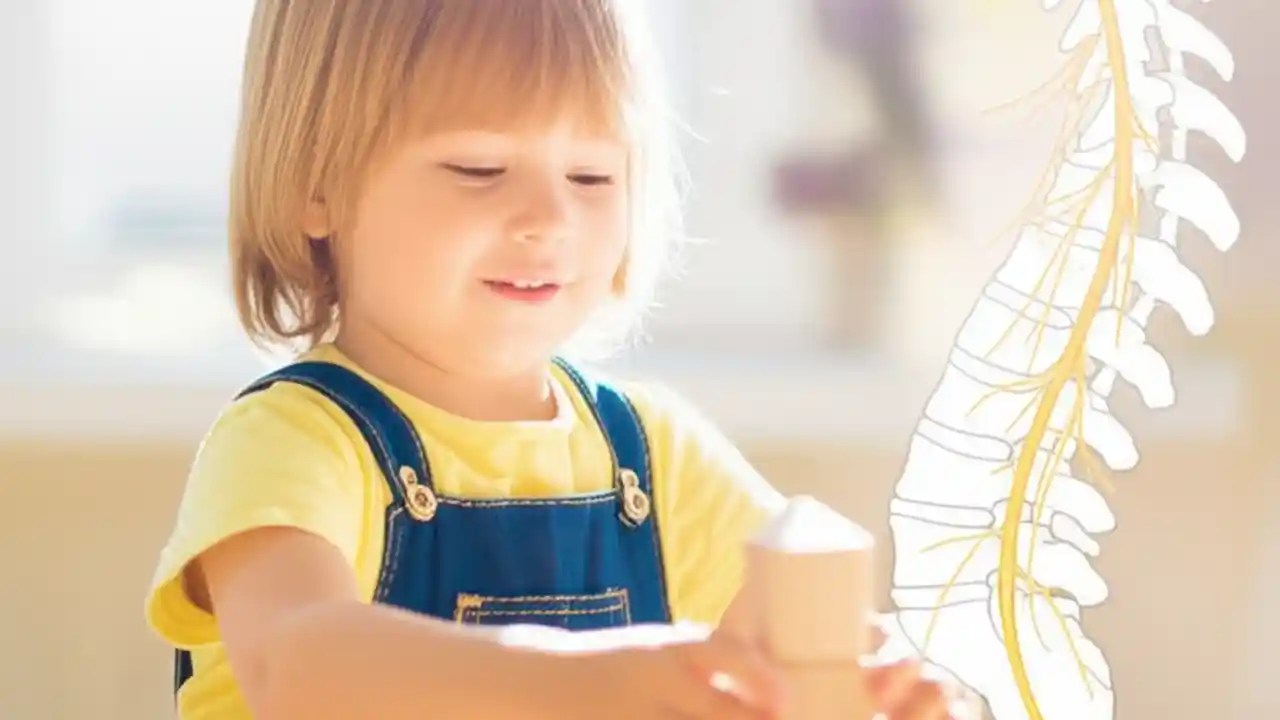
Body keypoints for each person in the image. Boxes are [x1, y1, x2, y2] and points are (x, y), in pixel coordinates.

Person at [144, 1, 963, 717]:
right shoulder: (288, 443)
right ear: (315, 187)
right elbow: (297, 669)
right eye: (479, 169)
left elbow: (794, 631)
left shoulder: (652, 453)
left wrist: (873, 677)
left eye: (592, 175)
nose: (550, 216)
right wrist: (587, 681)